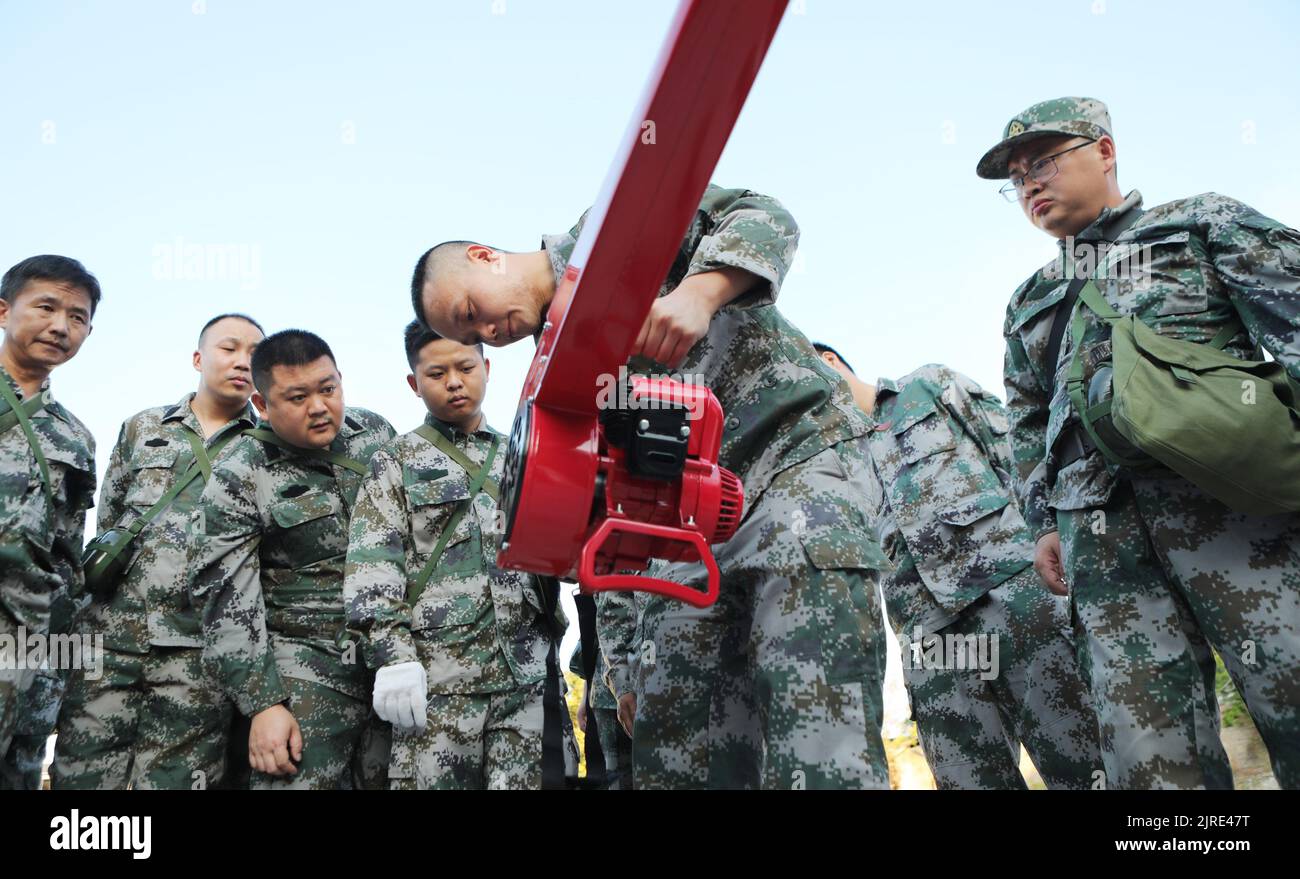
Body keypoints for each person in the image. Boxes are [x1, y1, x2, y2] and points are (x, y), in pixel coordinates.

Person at [411, 184, 892, 789]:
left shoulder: (606, 234)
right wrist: (624, 656)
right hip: (689, 532)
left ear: (484, 257)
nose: (486, 330)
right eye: (472, 334)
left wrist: (700, 291)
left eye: (470, 311)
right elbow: (617, 514)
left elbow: (766, 215)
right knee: (679, 745)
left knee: (819, 723)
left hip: (791, 464)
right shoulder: (552, 377)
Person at [982, 96, 1300, 788]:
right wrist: (1042, 524)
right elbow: (1027, 421)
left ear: (1103, 151)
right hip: (1102, 541)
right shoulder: (1028, 301)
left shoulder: (1196, 222)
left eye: (1043, 161)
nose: (1029, 182)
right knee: (1149, 754)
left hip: (1230, 500)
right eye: (1016, 177)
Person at [817, 345, 1102, 789]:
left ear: (829, 360)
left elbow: (1015, 454)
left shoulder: (927, 385)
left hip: (1014, 597)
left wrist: (1053, 536)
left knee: (1089, 760)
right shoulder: (832, 467)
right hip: (927, 638)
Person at [52, 314, 264, 789]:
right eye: (230, 348)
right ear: (198, 358)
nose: (243, 361)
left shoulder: (267, 446)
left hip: (200, 654)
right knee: (80, 775)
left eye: (255, 353)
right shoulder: (142, 427)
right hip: (109, 642)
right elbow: (106, 526)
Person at [344, 322, 559, 789]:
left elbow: (556, 554)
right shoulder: (395, 460)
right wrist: (394, 658)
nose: (454, 382)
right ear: (413, 383)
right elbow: (373, 567)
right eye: (437, 373)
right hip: (436, 684)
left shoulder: (523, 457)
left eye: (465, 367)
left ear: (487, 367)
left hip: (522, 680)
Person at [188, 329, 394, 789]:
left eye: (328, 389)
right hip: (304, 672)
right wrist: (263, 704)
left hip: (389, 667)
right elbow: (225, 597)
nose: (319, 407)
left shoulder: (376, 435)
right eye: (297, 397)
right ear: (262, 405)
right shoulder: (241, 471)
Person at [0, 255, 99, 790]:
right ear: (3, 311)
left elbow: (69, 553)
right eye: (46, 307)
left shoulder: (75, 437)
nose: (61, 326)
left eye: (78, 317)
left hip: (33, 650)